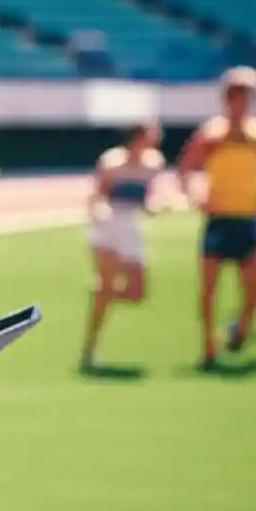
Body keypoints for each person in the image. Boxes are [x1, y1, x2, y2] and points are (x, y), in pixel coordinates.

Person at [178, 67, 256, 369]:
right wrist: (195, 196)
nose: (240, 102)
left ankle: (242, 325)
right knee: (210, 287)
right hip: (219, 218)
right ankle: (208, 346)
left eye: (246, 96)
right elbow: (186, 167)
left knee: (255, 283)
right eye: (235, 96)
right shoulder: (212, 133)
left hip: (249, 217)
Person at [81, 121, 169, 371]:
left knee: (137, 292)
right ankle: (91, 346)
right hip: (108, 226)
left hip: (131, 228)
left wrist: (155, 205)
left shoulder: (154, 163)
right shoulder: (112, 162)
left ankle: (100, 296)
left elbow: (151, 195)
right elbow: (98, 194)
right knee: (107, 282)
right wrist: (100, 210)